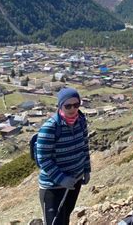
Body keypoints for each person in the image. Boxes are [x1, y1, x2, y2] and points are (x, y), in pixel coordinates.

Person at [37, 87, 91, 225]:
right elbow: (43, 159)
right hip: (53, 186)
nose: (73, 109)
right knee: (55, 222)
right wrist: (61, 179)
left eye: (76, 105)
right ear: (60, 106)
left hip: (75, 181)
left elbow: (84, 146)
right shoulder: (50, 127)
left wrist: (86, 170)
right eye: (68, 106)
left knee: (65, 217)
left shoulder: (81, 121)